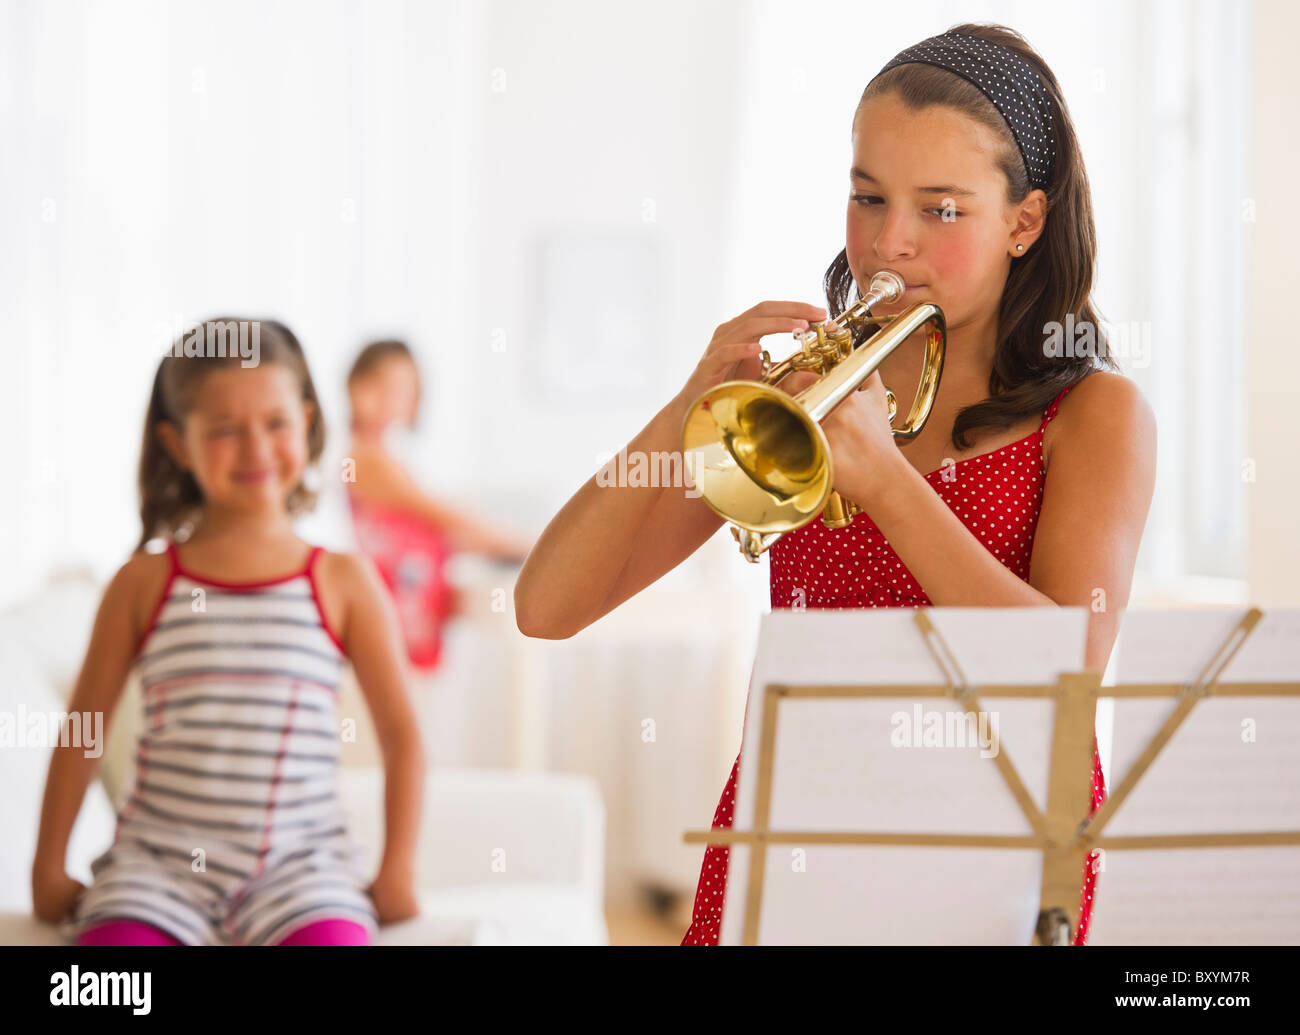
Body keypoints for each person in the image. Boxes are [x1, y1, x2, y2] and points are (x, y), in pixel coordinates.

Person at [514, 23, 1156, 946]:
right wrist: (691, 401)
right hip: (800, 836)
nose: (889, 244)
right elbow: (547, 605)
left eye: (941, 209)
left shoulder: (1099, 414)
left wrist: (890, 486)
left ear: (1026, 221)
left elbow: (1066, 674)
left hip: (998, 856)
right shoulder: (809, 396)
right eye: (867, 197)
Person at [30, 318, 425, 946]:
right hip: (157, 872)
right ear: (177, 444)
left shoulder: (345, 581)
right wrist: (46, 867)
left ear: (308, 422)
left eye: (275, 423)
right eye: (222, 430)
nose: (255, 449)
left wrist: (396, 870)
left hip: (302, 873)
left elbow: (402, 733)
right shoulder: (142, 582)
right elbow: (84, 729)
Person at [345, 339, 530, 672]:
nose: (390, 399)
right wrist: (517, 540)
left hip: (409, 613)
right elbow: (440, 515)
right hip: (399, 615)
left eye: (403, 390)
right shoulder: (368, 459)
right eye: (381, 384)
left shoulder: (384, 457)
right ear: (354, 386)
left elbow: (434, 527)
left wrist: (500, 541)